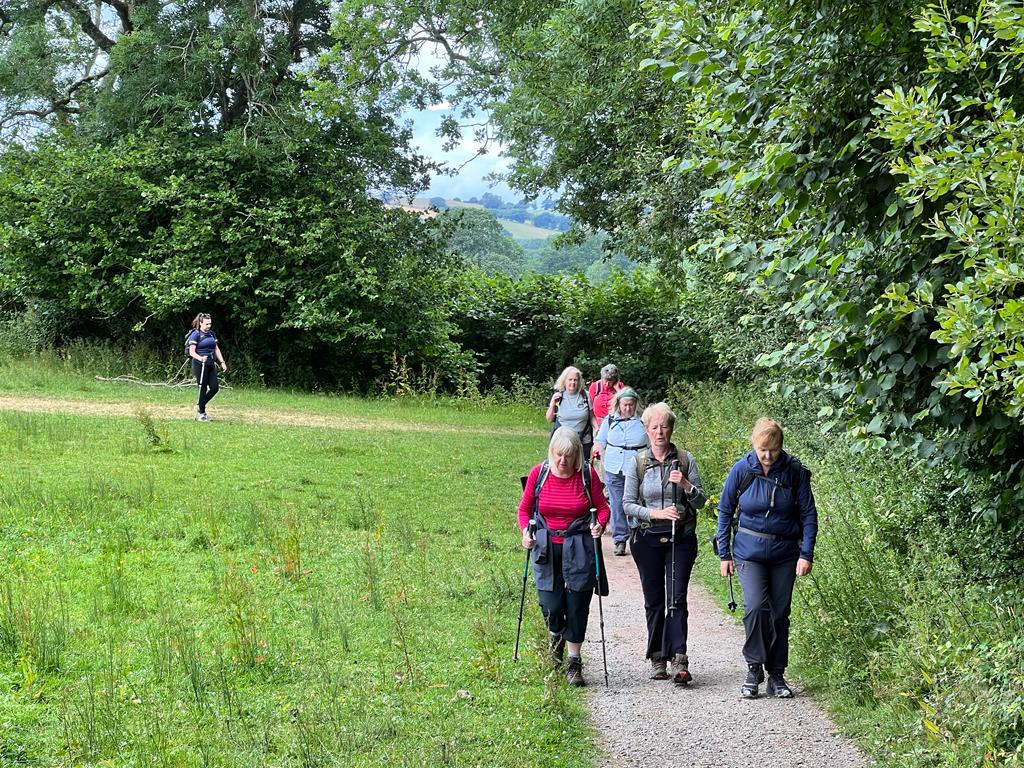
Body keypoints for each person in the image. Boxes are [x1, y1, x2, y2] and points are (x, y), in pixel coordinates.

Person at [716, 417, 818, 699]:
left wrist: (806, 553)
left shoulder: (794, 471)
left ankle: (776, 673)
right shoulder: (741, 469)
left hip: (785, 552)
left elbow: (809, 514)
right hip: (749, 551)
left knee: (780, 612)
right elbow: (725, 511)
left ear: (780, 447)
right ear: (754, 445)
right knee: (755, 606)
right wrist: (724, 553)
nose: (768, 456)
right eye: (763, 450)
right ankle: (753, 668)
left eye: (773, 450)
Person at [518, 427, 611, 686]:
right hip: (547, 547)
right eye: (559, 455)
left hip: (579, 544)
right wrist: (526, 531)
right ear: (552, 452)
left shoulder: (587, 475)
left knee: (578, 602)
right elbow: (525, 509)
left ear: (576, 456)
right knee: (551, 604)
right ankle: (555, 637)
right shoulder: (540, 474)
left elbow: (603, 509)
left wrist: (599, 525)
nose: (563, 461)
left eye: (568, 456)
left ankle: (573, 662)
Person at [623, 402, 706, 685]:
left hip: (679, 538)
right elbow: (627, 505)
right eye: (654, 427)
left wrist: (685, 485)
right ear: (646, 430)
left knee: (677, 597)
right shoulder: (637, 462)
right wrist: (654, 513)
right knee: (654, 599)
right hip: (647, 538)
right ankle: (658, 656)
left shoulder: (684, 459)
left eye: (665, 426)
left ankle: (680, 656)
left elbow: (701, 501)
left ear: (671, 428)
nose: (660, 432)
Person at [592, 388, 647, 557]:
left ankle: (638, 534)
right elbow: (600, 440)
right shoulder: (609, 421)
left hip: (637, 467)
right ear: (619, 404)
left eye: (631, 405)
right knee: (616, 503)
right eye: (625, 405)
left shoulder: (643, 421)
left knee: (636, 500)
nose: (628, 408)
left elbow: (652, 442)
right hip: (614, 466)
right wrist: (597, 449)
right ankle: (620, 539)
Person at [546, 366, 595, 460]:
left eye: (575, 380)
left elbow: (592, 417)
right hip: (563, 441)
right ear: (565, 381)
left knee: (581, 468)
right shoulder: (558, 396)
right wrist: (552, 403)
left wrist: (598, 429)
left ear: (579, 381)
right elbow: (549, 419)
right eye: (570, 379)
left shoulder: (585, 395)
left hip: (583, 440)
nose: (573, 382)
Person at [186, 313, 227, 422]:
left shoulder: (212, 334)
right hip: (200, 364)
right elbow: (192, 352)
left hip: (210, 363)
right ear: (200, 323)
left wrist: (222, 362)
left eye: (210, 324)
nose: (209, 326)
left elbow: (216, 349)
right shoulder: (196, 334)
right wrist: (200, 358)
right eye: (207, 324)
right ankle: (202, 413)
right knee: (203, 387)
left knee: (214, 388)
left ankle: (200, 405)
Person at [588, 363, 627, 435]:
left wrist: (618, 389)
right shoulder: (595, 386)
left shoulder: (620, 387)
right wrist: (596, 427)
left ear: (615, 380)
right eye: (605, 381)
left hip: (615, 424)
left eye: (610, 382)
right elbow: (590, 408)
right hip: (599, 425)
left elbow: (625, 404)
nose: (607, 384)